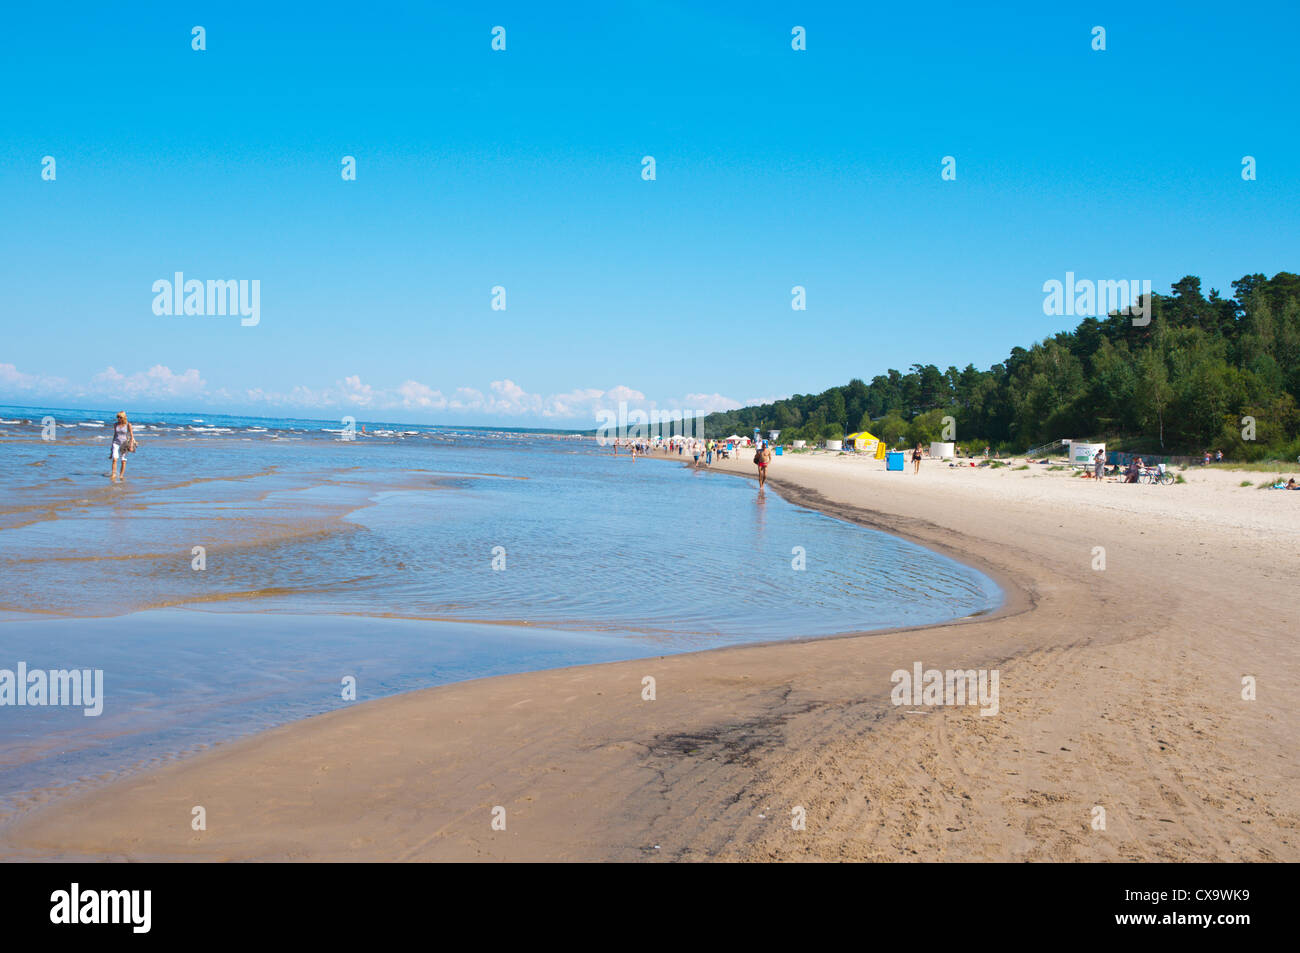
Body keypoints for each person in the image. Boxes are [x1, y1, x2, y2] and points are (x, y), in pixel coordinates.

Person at [110, 410, 135, 481]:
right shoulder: (115, 424)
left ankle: (121, 475)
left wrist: (131, 445)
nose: (118, 418)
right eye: (117, 417)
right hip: (116, 443)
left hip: (124, 444)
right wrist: (111, 447)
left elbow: (132, 436)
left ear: (123, 417)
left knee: (123, 460)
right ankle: (114, 474)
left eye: (120, 417)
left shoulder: (128, 425)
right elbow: (115, 435)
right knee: (115, 459)